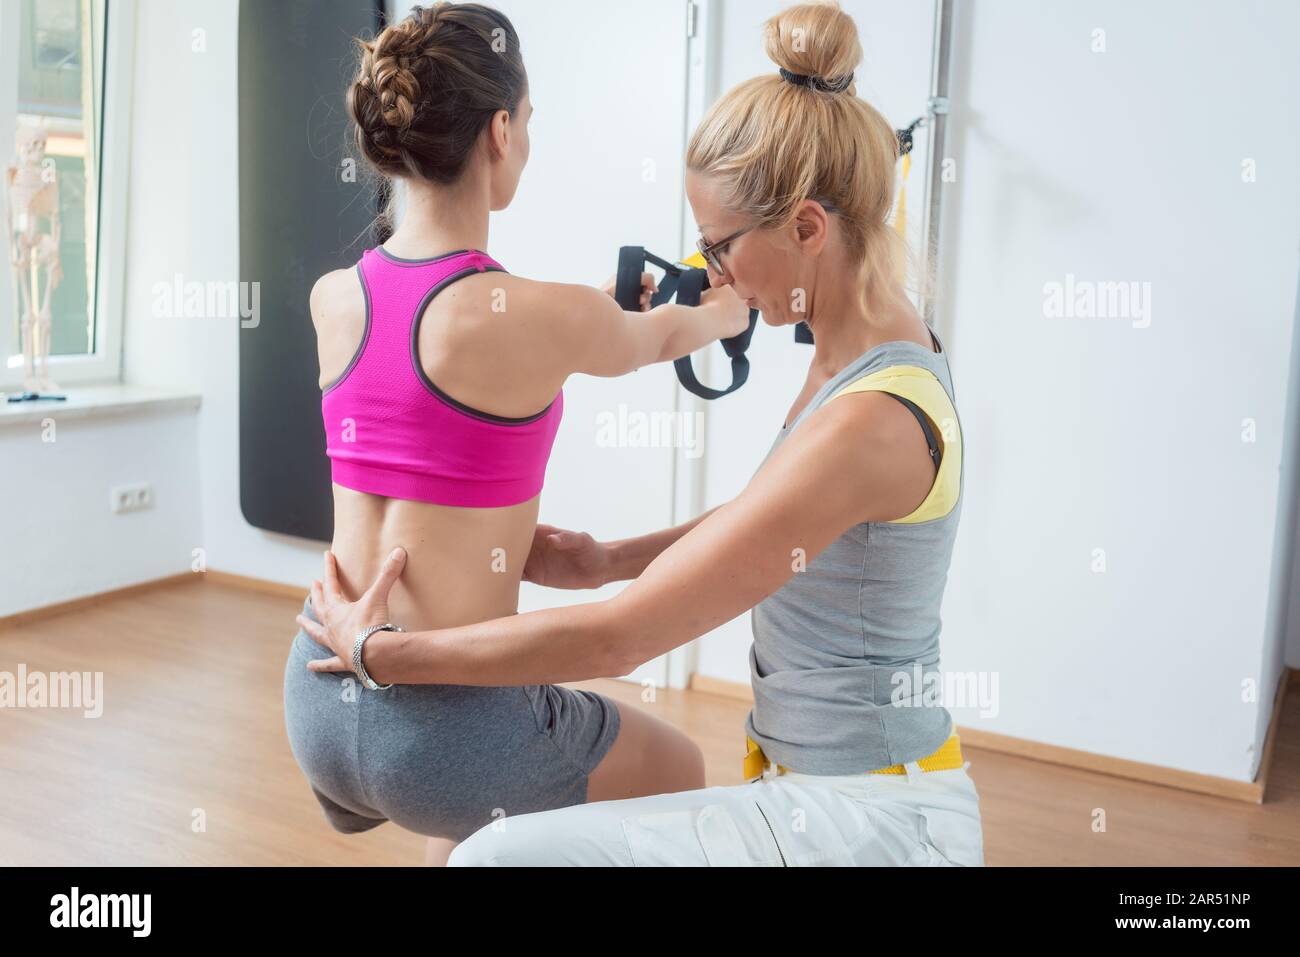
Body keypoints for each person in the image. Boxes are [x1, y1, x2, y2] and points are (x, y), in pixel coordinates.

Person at [297, 0, 985, 866]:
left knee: (494, 854)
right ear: (499, 134)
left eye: (720, 247)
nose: (715, 272)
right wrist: (606, 557)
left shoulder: (871, 419)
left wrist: (385, 655)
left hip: (875, 818)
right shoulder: (860, 352)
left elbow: (623, 637)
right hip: (793, 783)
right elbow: (771, 517)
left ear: (808, 228)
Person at [281, 1, 750, 867]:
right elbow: (659, 336)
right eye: (527, 122)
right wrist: (728, 306)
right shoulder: (545, 314)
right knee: (680, 767)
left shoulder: (332, 297)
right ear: (499, 131)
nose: (526, 141)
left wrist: (514, 541)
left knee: (464, 818)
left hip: (317, 701)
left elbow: (422, 466)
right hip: (443, 733)